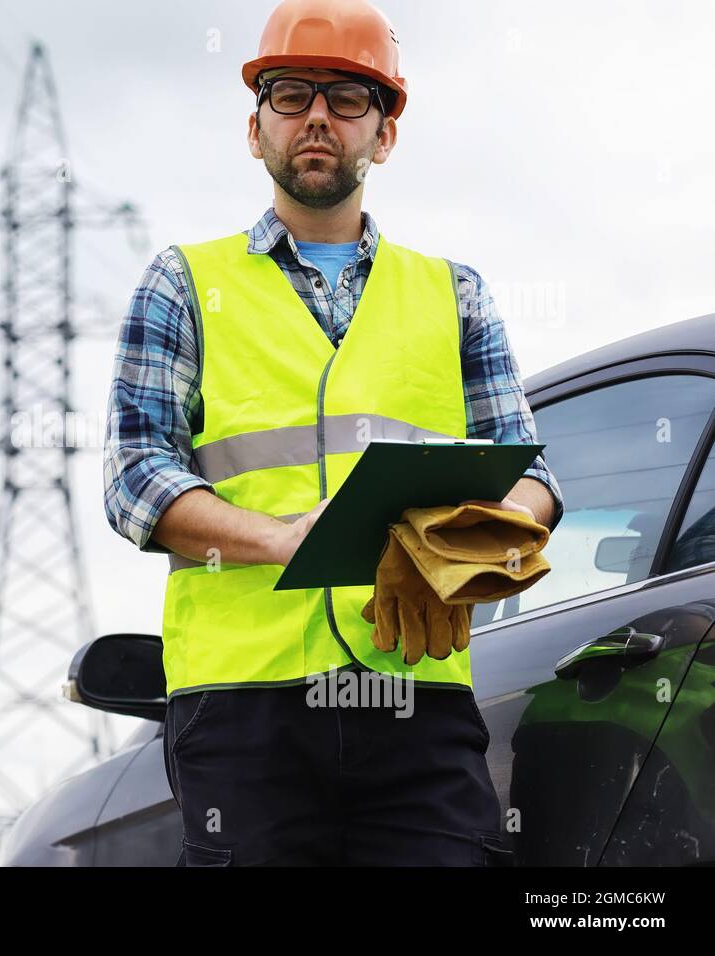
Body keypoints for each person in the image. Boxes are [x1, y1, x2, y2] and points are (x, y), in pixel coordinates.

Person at [101, 0, 564, 865]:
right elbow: (134, 479)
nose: (317, 115)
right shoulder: (184, 282)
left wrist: (469, 545)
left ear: (382, 136)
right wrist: (282, 540)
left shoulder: (453, 293)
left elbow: (535, 478)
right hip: (244, 710)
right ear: (256, 129)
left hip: (415, 704)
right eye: (291, 93)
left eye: (349, 98)